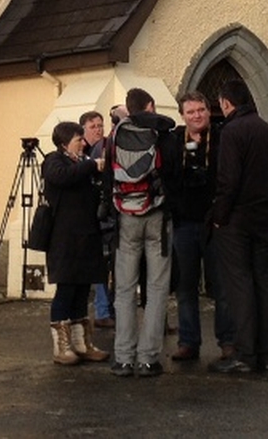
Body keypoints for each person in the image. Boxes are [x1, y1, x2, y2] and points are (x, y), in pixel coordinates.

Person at [208, 79, 268, 374]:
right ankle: (265, 353)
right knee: (263, 283)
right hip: (263, 216)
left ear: (226, 103)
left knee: (239, 285)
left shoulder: (232, 131)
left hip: (236, 219)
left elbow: (229, 180)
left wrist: (218, 216)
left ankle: (245, 353)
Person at [106, 87, 176, 378]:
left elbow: (107, 175)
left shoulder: (115, 135)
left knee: (124, 289)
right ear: (150, 105)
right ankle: (148, 358)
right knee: (157, 288)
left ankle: (123, 357)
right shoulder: (163, 134)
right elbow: (172, 171)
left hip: (125, 215)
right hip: (157, 215)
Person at [164, 91, 232, 361]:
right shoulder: (173, 141)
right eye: (191, 112)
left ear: (208, 110)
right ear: (183, 115)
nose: (197, 116)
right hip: (184, 222)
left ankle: (227, 340)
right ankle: (188, 341)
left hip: (214, 222)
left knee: (221, 285)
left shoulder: (222, 137)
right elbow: (167, 175)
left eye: (201, 110)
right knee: (185, 286)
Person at [40, 121, 110, 365]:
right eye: (78, 139)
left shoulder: (83, 164)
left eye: (82, 139)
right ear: (64, 142)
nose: (83, 143)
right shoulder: (54, 161)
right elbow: (61, 177)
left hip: (87, 237)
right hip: (65, 239)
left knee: (82, 291)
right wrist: (92, 165)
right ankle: (62, 347)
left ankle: (83, 344)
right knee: (66, 290)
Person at [78, 110, 116, 329]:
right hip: (91, 219)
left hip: (107, 218)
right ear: (83, 129)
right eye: (93, 127)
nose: (98, 130)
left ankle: (108, 309)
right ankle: (102, 310)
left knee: (109, 266)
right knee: (99, 266)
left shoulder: (106, 148)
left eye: (100, 126)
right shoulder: (84, 154)